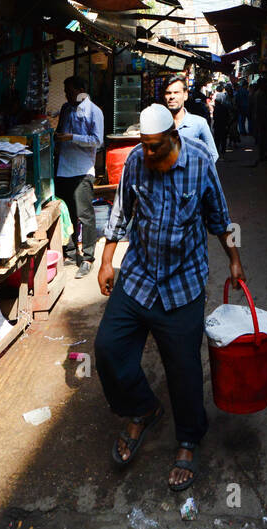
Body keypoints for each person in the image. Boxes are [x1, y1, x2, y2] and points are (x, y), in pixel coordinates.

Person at [95, 103, 244, 490]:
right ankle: (143, 408)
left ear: (173, 139)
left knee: (184, 370)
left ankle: (188, 440)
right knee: (109, 348)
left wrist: (234, 260)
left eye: (154, 147)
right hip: (140, 276)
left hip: (183, 285)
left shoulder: (198, 163)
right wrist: (107, 262)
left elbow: (220, 219)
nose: (147, 154)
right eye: (143, 146)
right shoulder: (135, 162)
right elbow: (120, 213)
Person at [54, 75, 103, 277]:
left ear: (81, 89)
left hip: (83, 170)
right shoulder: (66, 109)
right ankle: (71, 252)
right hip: (63, 168)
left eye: (70, 91)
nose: (67, 95)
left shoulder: (94, 111)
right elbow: (59, 132)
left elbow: (97, 140)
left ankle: (88, 257)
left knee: (85, 214)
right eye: (66, 92)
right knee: (69, 212)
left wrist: (72, 137)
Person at [163, 74, 218, 160]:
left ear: (185, 95)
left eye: (176, 92)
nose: (172, 97)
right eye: (168, 93)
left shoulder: (199, 124)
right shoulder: (157, 125)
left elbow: (212, 155)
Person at [249, 78, 267, 160]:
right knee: (263, 136)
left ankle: (262, 154)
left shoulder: (257, 93)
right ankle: (262, 155)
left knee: (262, 136)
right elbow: (261, 107)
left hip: (258, 117)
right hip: (261, 118)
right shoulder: (260, 94)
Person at [212, 85, 232, 157]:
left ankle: (217, 150)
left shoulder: (216, 109)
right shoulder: (224, 108)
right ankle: (223, 150)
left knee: (217, 139)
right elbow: (227, 117)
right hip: (223, 125)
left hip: (218, 125)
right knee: (223, 138)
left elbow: (214, 117)